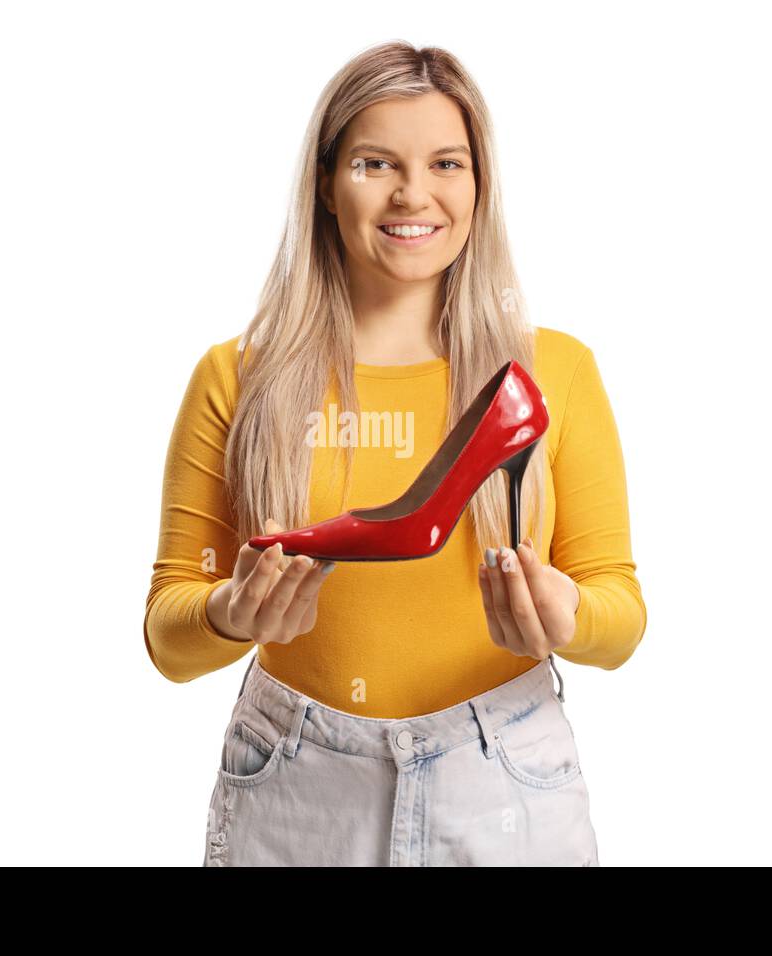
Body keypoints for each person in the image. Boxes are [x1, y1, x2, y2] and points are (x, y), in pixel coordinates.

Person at [143, 40, 647, 866]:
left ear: (478, 187)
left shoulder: (554, 370)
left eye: (446, 162)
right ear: (325, 185)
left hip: (506, 776)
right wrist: (228, 617)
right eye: (376, 163)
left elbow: (619, 618)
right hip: (296, 783)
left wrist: (569, 618)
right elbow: (169, 634)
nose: (415, 193)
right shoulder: (237, 379)